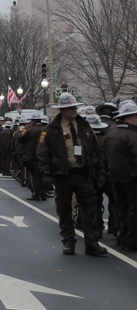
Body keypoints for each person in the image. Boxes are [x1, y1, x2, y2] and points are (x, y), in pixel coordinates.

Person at [37, 92, 106, 256]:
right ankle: (68, 241)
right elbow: (43, 152)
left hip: (83, 173)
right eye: (70, 108)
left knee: (90, 208)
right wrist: (46, 173)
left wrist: (100, 171)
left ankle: (92, 242)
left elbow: (95, 150)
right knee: (64, 209)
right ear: (62, 110)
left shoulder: (84, 126)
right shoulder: (52, 129)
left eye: (74, 107)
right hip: (63, 175)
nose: (73, 111)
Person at [104, 100, 137, 251]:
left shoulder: (111, 133)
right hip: (132, 178)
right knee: (133, 209)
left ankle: (121, 236)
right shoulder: (133, 135)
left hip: (115, 176)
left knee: (120, 207)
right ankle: (131, 241)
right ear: (128, 118)